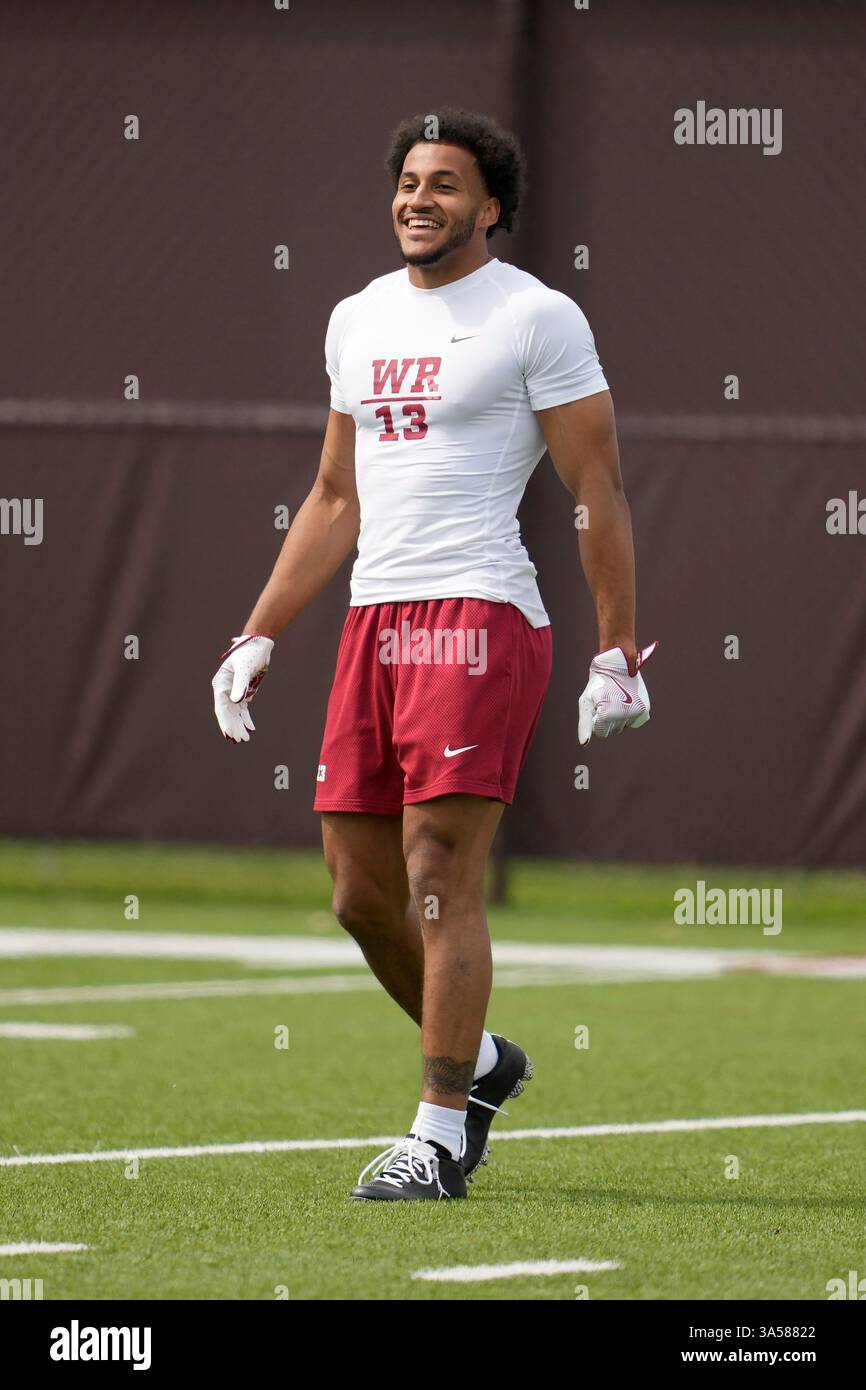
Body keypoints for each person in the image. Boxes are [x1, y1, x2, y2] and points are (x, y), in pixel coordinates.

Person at [212, 108, 656, 1201]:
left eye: (445, 183)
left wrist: (616, 654)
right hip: (375, 622)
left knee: (434, 878)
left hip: (477, 616)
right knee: (360, 895)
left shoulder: (535, 316)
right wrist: (260, 629)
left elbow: (594, 492)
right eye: (408, 180)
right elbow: (332, 493)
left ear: (488, 206)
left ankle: (439, 1131)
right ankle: (486, 1057)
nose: (420, 198)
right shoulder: (356, 316)